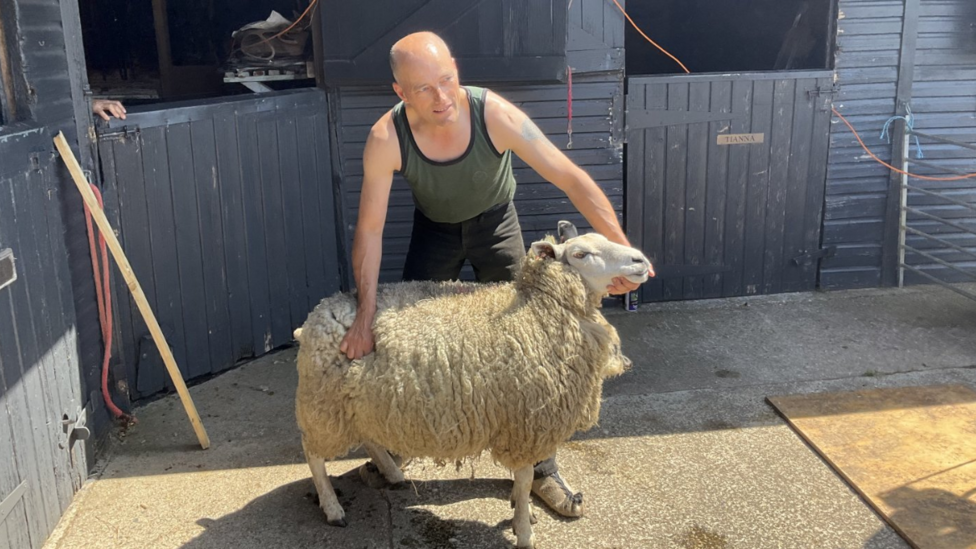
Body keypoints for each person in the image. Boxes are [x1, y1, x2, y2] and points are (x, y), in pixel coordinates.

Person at [339, 31, 655, 518]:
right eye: (423, 88)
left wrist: (624, 252)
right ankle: (400, 439)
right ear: (400, 92)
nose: (441, 97)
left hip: (495, 224)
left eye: (447, 79)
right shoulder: (386, 137)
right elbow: (370, 230)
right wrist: (364, 315)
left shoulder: (494, 115)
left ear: (457, 69)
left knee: (534, 347)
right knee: (410, 339)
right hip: (436, 231)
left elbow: (571, 177)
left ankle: (542, 465)